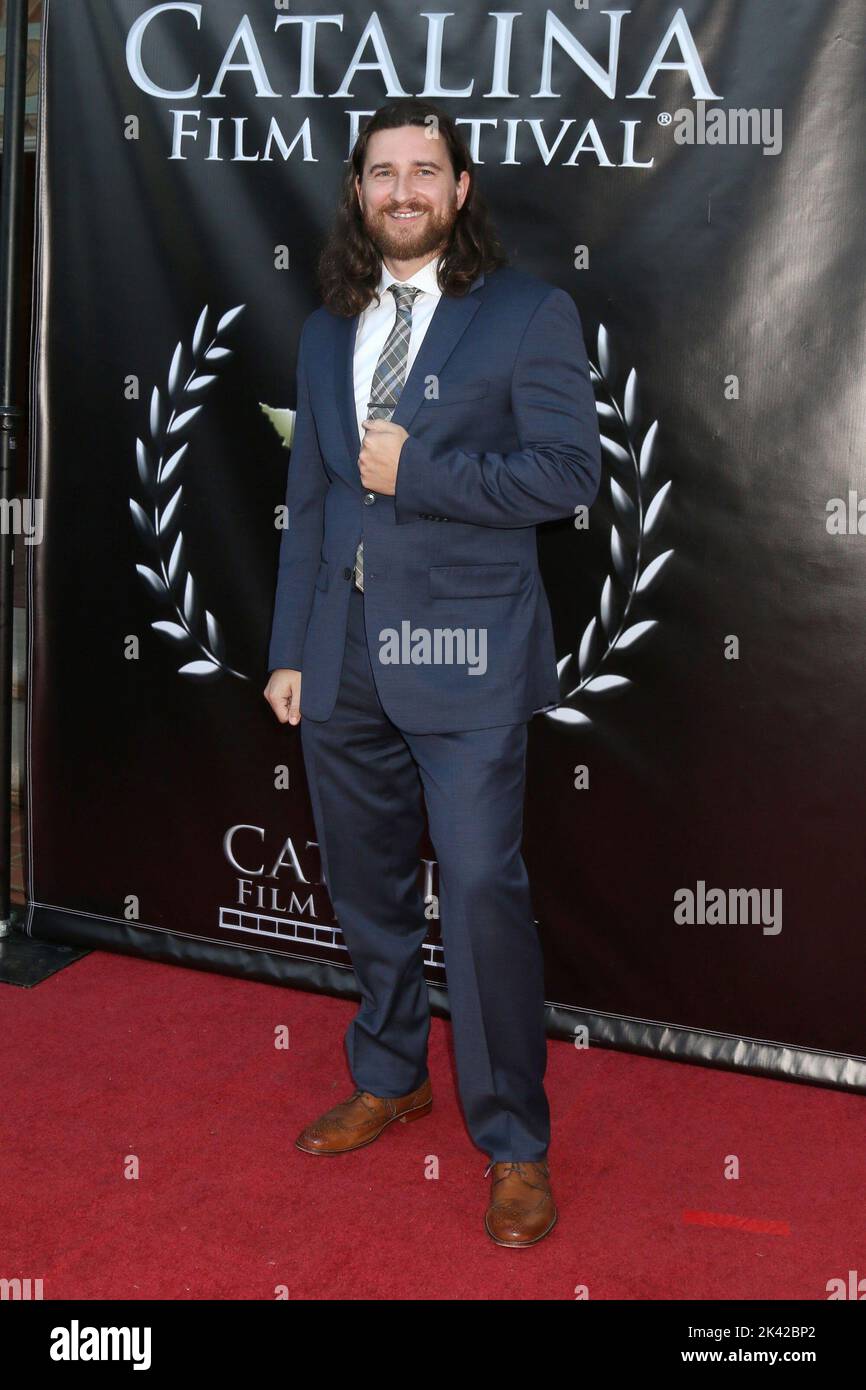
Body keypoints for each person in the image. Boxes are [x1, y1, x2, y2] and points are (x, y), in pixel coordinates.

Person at [263, 97, 601, 1247]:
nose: (402, 188)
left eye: (425, 169)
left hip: (464, 650)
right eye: (380, 171)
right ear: (357, 193)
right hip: (341, 654)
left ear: (460, 190)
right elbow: (309, 504)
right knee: (363, 888)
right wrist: (289, 651)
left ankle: (513, 1140)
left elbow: (563, 477)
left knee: (479, 894)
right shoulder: (324, 329)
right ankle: (391, 1069)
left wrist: (424, 472)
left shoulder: (525, 312)